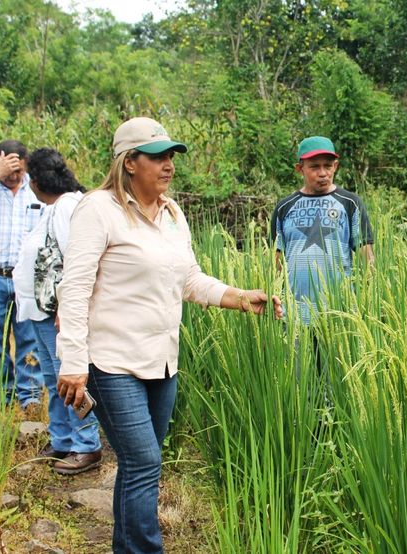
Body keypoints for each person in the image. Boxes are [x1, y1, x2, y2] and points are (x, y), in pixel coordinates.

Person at [55, 117, 283, 553]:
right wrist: (73, 362)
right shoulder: (99, 209)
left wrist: (240, 298)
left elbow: (189, 279)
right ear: (129, 162)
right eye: (158, 156)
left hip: (162, 361)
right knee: (144, 461)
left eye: (172, 156)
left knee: (138, 466)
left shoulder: (173, 214)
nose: (169, 165)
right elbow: (76, 287)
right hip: (112, 360)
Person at [13, 148, 103, 475]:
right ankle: (63, 438)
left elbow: (75, 261)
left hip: (56, 312)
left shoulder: (66, 206)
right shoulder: (54, 207)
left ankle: (86, 444)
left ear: (38, 181)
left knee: (69, 379)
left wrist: (68, 307)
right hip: (42, 311)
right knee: (54, 380)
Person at [270, 136, 374, 327]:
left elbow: (366, 259)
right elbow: (277, 261)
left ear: (335, 166)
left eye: (328, 166)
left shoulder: (350, 203)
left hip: (339, 315)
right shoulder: (284, 207)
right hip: (294, 316)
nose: (323, 173)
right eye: (314, 167)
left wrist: (371, 300)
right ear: (300, 169)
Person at [0, 140, 45, 410]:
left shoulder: (35, 190)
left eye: (18, 170)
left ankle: (30, 396)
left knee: (28, 338)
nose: (13, 176)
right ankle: (3, 394)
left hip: (26, 277)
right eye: (8, 170)